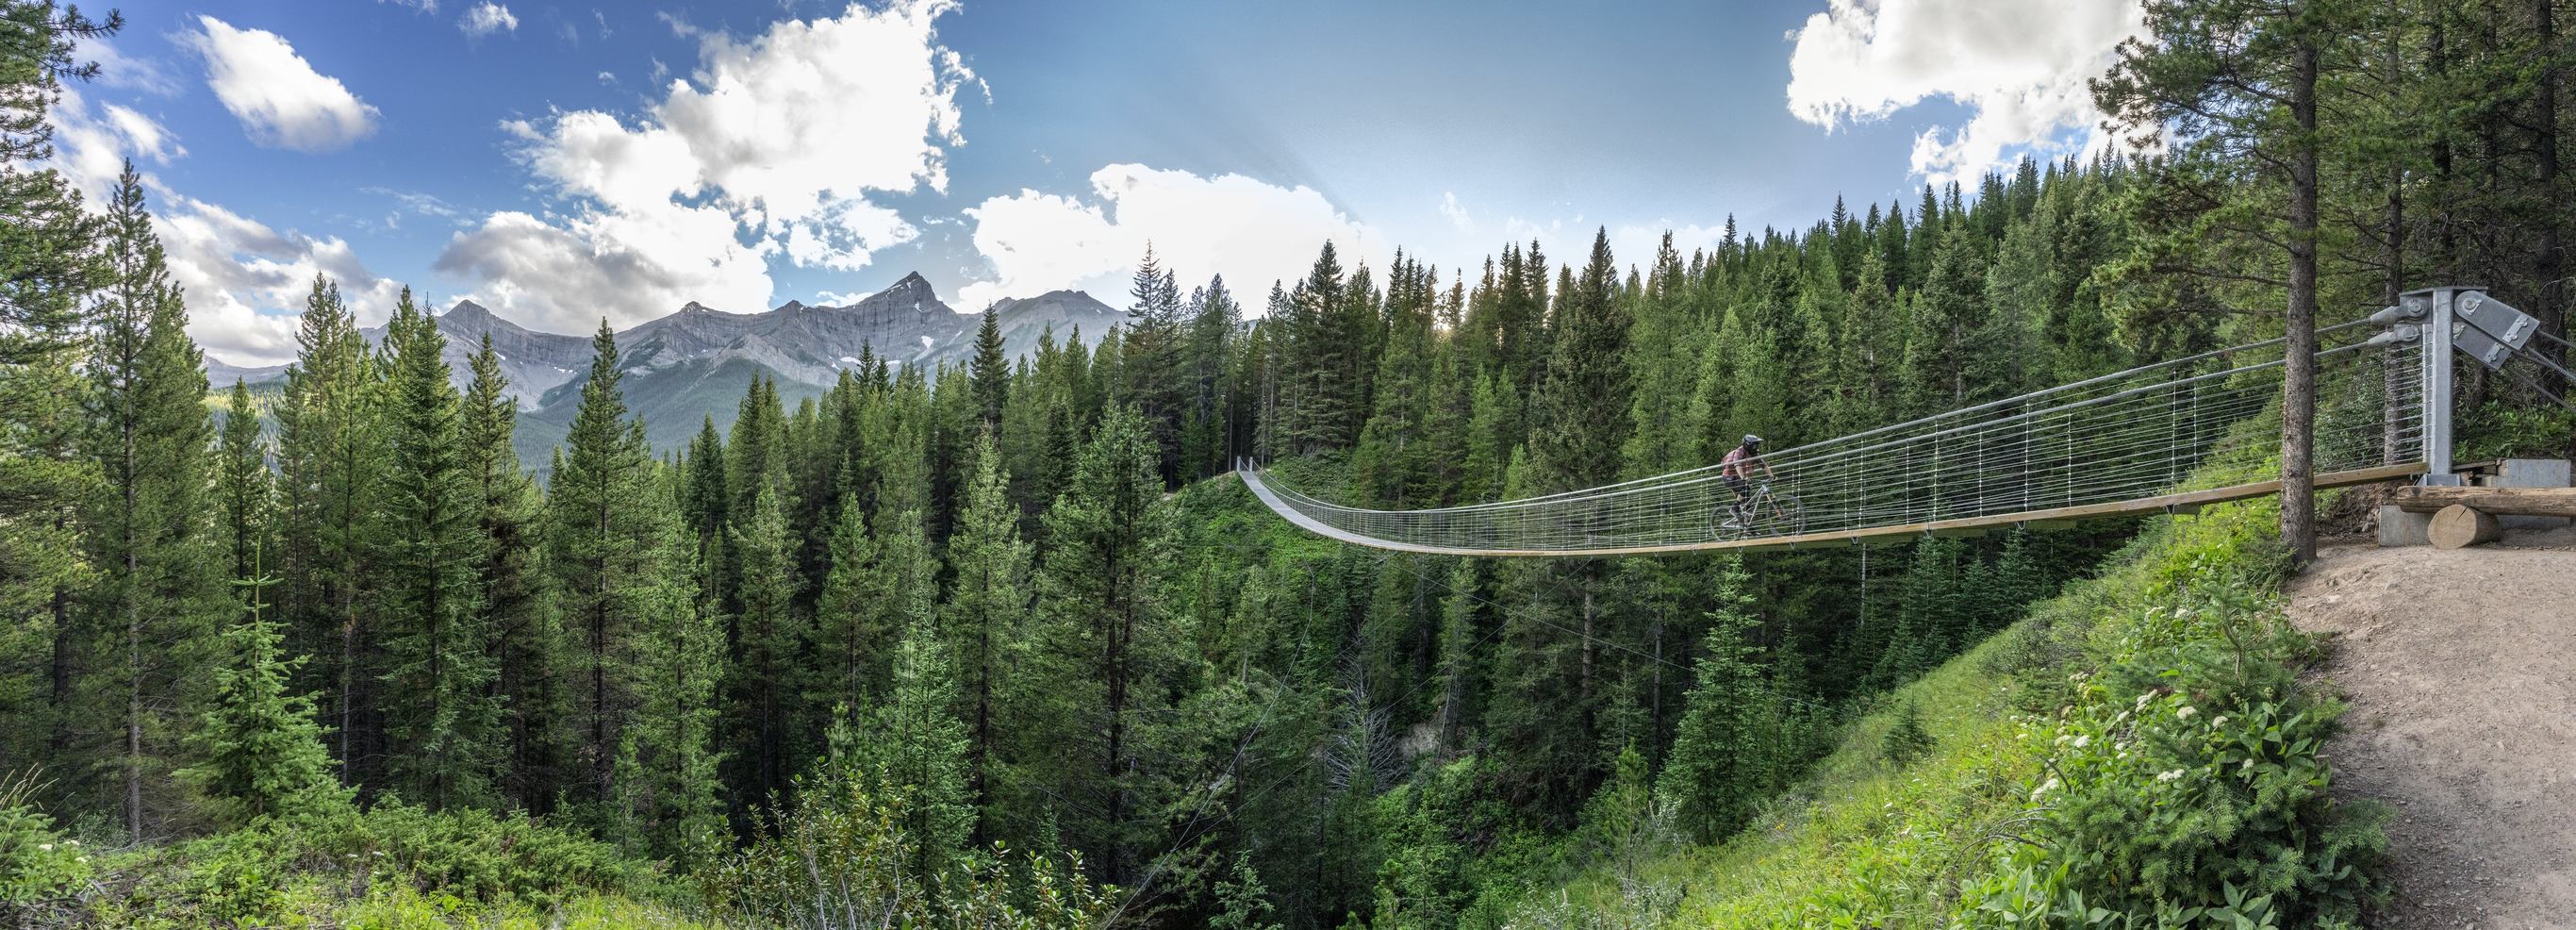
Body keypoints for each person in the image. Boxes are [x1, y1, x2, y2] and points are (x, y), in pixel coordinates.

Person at [1719, 434, 1775, 528]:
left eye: (1756, 445)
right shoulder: (1739, 452)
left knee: (1749, 506)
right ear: (1748, 445)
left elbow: (1763, 465)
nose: (1756, 447)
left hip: (1738, 478)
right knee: (1745, 486)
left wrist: (1772, 476)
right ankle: (1734, 508)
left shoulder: (1754, 453)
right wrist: (1743, 478)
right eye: (1754, 445)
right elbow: (1737, 465)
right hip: (1729, 477)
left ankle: (1748, 529)